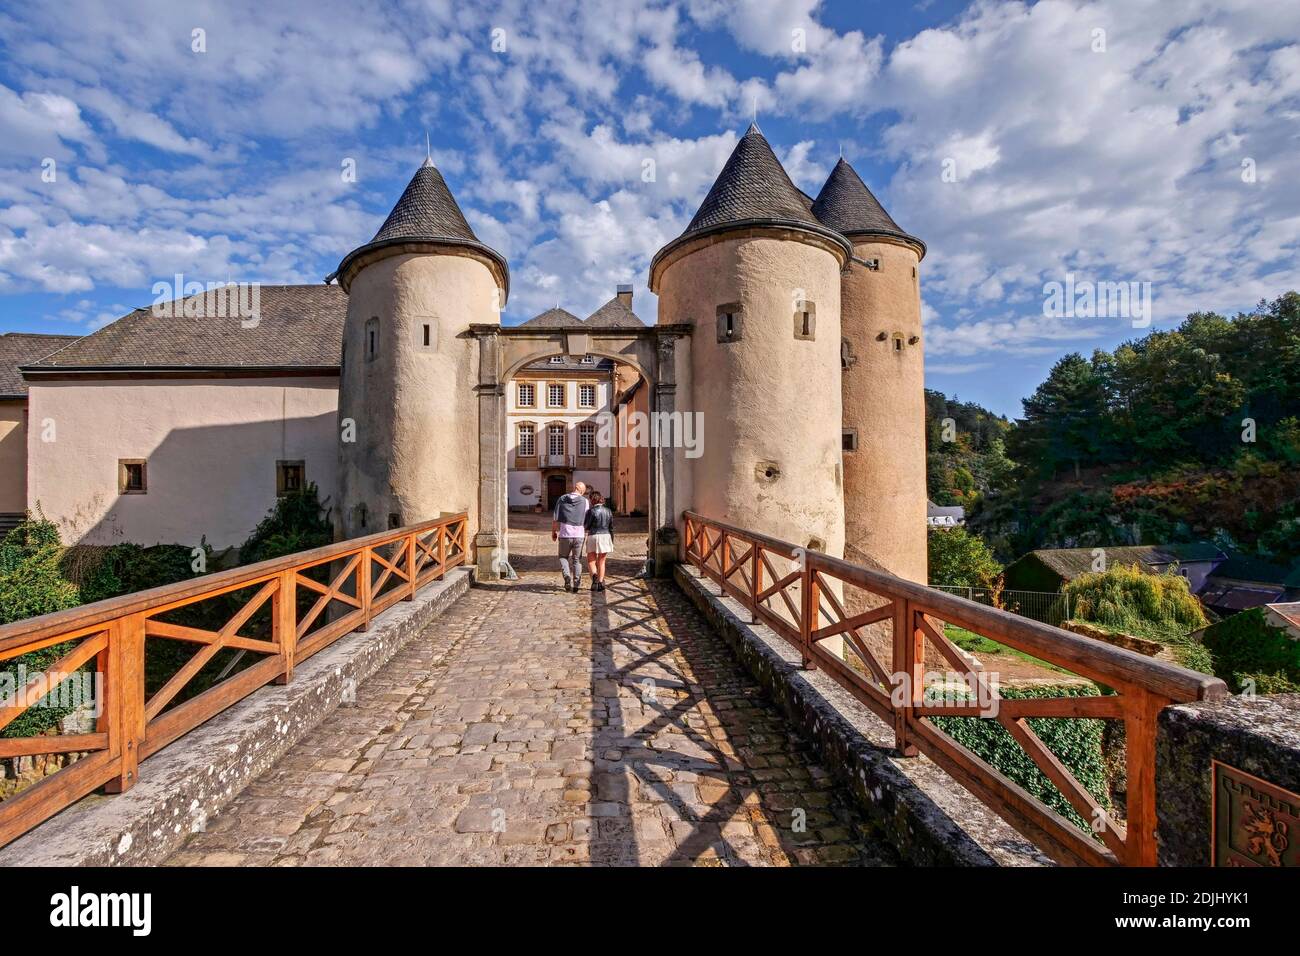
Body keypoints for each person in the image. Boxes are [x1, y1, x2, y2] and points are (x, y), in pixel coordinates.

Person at [551, 480, 589, 592]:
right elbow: (587, 518)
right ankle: (576, 584)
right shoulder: (585, 501)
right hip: (579, 535)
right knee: (577, 560)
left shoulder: (562, 499)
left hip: (565, 534)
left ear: (574, 488)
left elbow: (555, 518)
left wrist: (553, 532)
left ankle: (567, 576)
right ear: (581, 491)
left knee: (563, 557)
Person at [583, 490, 615, 592]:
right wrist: (612, 539)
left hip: (593, 535)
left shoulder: (591, 511)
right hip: (606, 535)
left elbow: (587, 526)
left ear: (592, 500)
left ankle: (594, 577)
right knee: (602, 561)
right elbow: (611, 527)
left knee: (591, 560)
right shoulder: (608, 511)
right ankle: (601, 582)